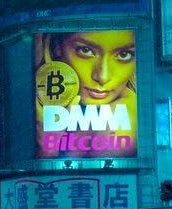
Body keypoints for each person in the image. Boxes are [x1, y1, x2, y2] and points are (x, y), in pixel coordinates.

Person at [36, 31, 137, 159]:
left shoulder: (122, 122)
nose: (102, 77)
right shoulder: (44, 97)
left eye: (124, 55)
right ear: (57, 46)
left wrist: (47, 151)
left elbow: (97, 178)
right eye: (85, 50)